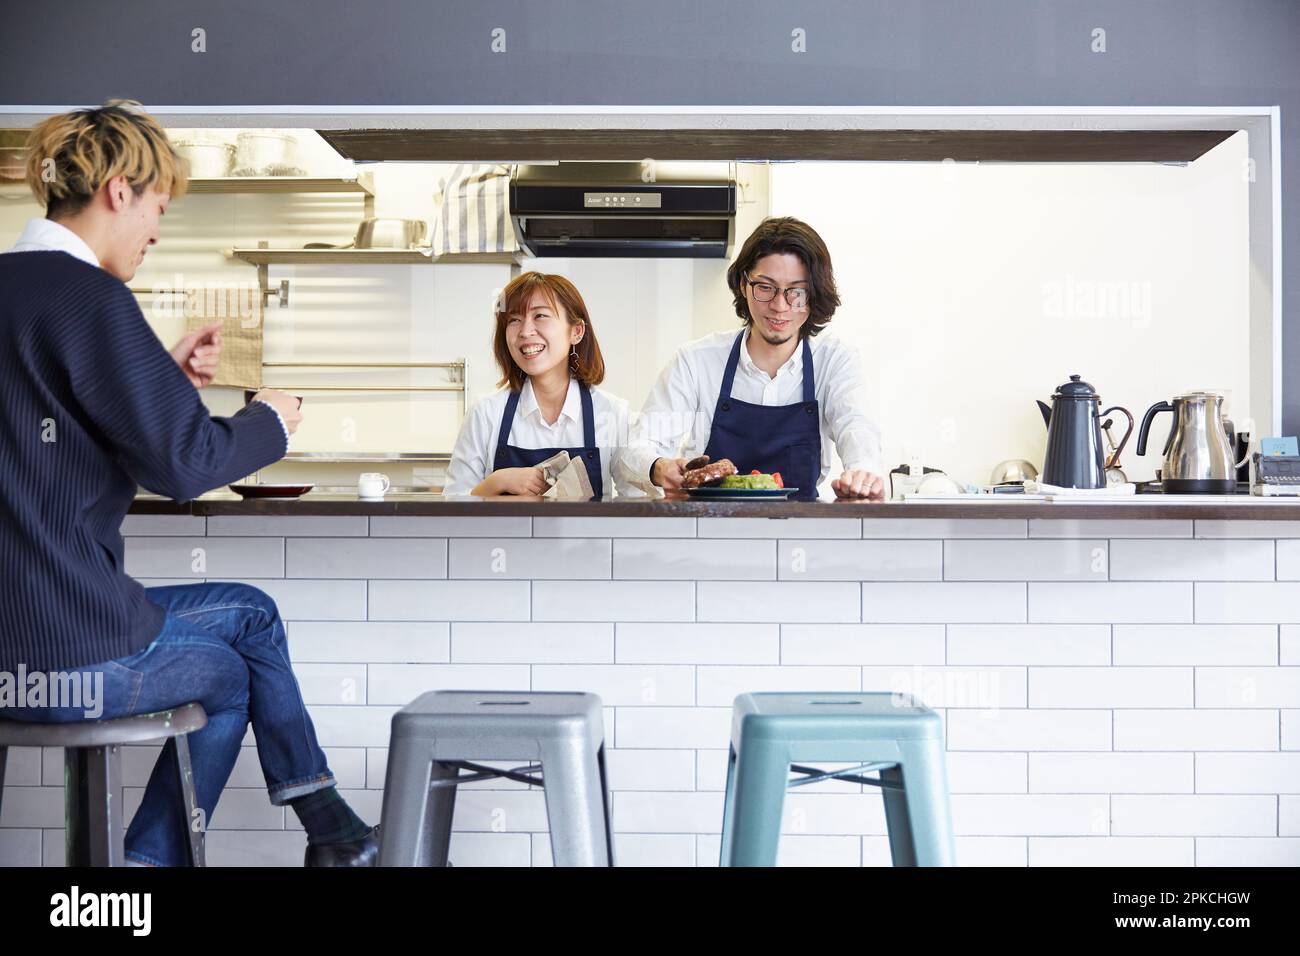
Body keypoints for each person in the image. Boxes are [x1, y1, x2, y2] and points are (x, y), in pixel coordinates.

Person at [0, 100, 376, 866]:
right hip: (70, 647)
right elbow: (187, 464)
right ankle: (145, 868)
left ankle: (331, 826)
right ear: (118, 190)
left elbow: (57, 427)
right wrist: (271, 418)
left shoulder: (18, 288)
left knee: (248, 614)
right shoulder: (93, 298)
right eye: (158, 207)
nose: (158, 231)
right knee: (230, 675)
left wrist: (158, 378)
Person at [619, 216, 885, 501]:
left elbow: (855, 424)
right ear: (744, 285)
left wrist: (862, 470)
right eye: (765, 287)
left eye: (797, 291)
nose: (779, 306)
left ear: (814, 294)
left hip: (802, 532)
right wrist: (660, 468)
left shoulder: (834, 361)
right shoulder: (695, 362)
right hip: (706, 532)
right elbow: (636, 447)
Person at [443, 271, 631, 498]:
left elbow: (637, 505)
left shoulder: (612, 413)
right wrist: (498, 481)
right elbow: (453, 503)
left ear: (576, 331)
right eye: (514, 320)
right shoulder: (485, 413)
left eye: (540, 316)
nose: (525, 331)